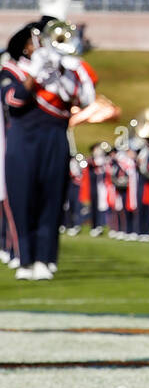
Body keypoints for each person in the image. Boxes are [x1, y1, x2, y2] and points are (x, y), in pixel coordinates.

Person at [1, 20, 96, 280]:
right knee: (22, 199)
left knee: (52, 200)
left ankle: (45, 258)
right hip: (23, 141)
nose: (40, 46)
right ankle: (25, 260)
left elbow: (81, 99)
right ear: (25, 47)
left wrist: (61, 73)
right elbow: (14, 101)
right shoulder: (12, 70)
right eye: (34, 42)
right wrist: (36, 74)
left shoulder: (62, 68)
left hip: (55, 137)